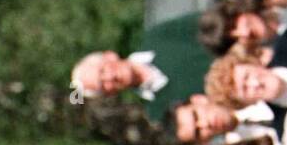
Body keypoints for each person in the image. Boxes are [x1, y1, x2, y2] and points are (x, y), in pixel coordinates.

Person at [72, 13, 213, 120]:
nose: (110, 77)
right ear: (110, 94)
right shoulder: (160, 111)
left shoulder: (159, 37)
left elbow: (213, 21)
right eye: (103, 84)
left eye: (103, 70)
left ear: (110, 55)